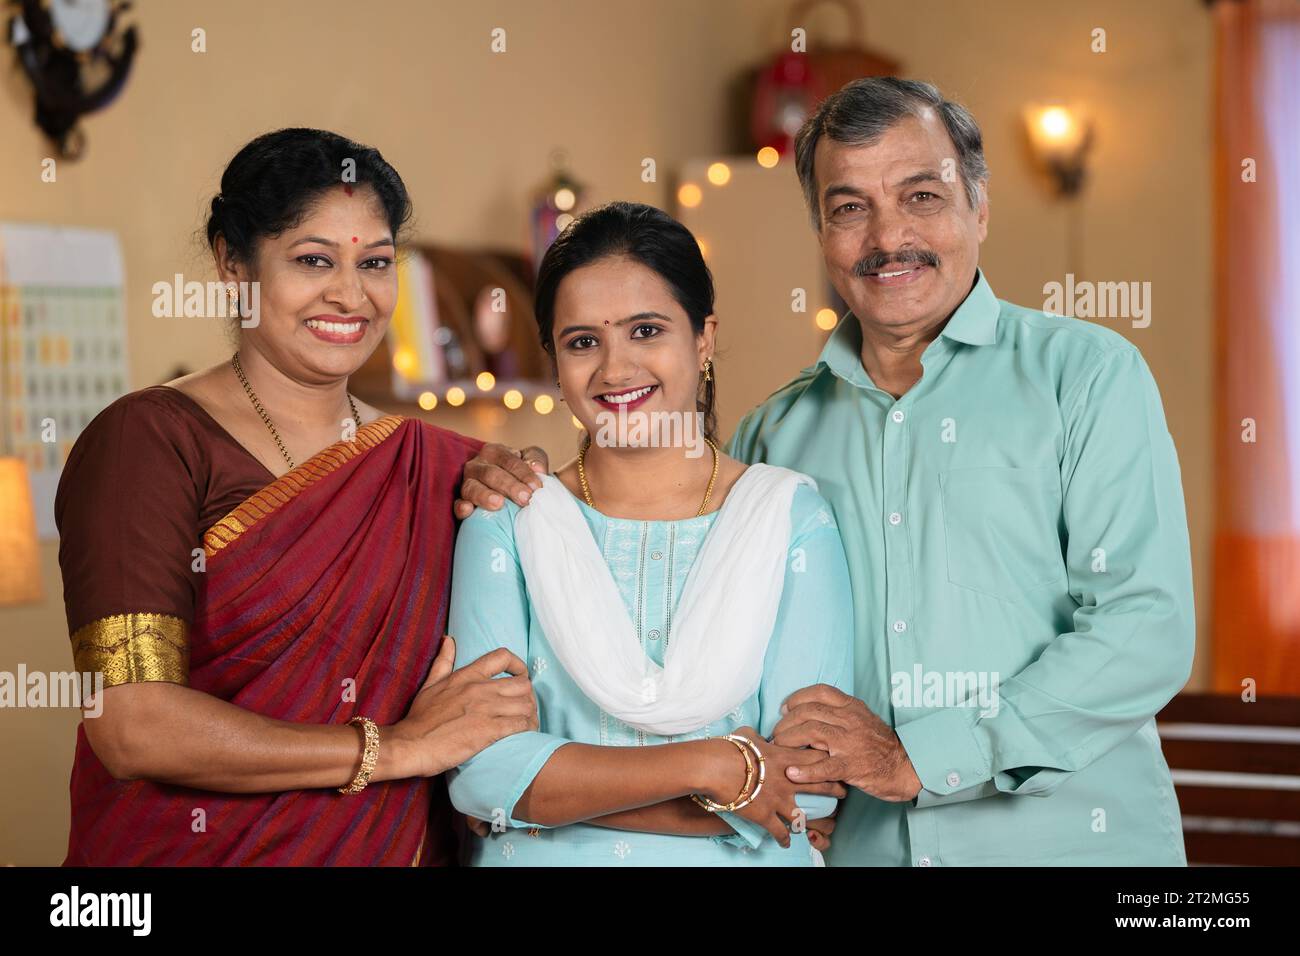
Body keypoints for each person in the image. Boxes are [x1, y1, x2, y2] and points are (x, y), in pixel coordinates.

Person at [457, 79, 1196, 866]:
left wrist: (922, 756)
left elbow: (1144, 627)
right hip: (860, 850)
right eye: (849, 208)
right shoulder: (775, 439)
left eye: (921, 195)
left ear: (979, 206)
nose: (887, 236)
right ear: (821, 232)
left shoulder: (1083, 378)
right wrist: (523, 482)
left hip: (1065, 845)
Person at [56, 128, 537, 866]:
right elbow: (131, 725)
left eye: (375, 263)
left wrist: (531, 482)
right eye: (314, 260)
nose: (350, 294)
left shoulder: (440, 466)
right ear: (232, 261)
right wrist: (396, 748)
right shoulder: (148, 445)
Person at [446, 201, 855, 865]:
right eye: (583, 342)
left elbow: (804, 794)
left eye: (645, 331)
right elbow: (483, 776)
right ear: (555, 362)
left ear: (703, 338)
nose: (614, 370)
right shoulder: (509, 517)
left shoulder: (788, 519)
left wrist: (546, 803)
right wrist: (716, 770)